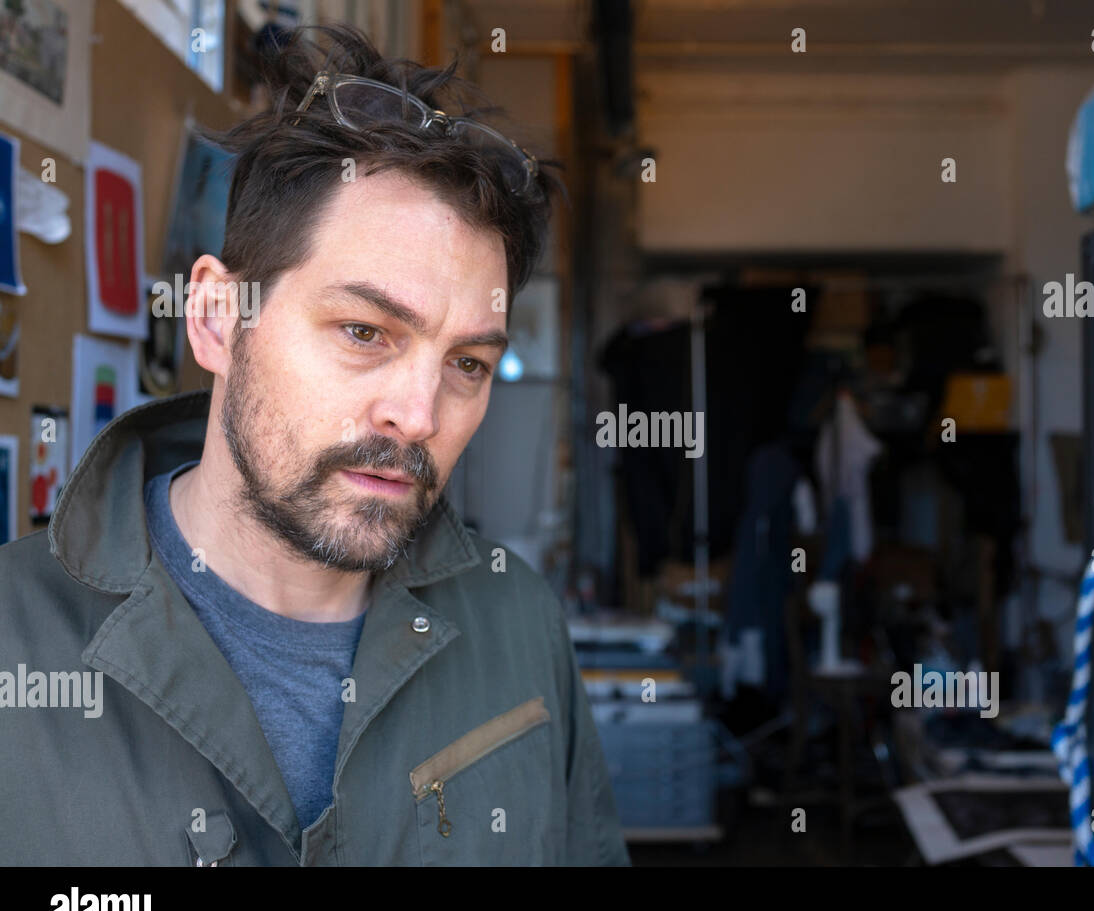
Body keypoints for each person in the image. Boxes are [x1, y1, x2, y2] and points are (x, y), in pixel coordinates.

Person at [0, 24, 629, 866]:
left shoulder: (521, 627)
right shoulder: (16, 639)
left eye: (469, 362)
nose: (418, 413)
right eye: (365, 330)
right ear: (219, 317)